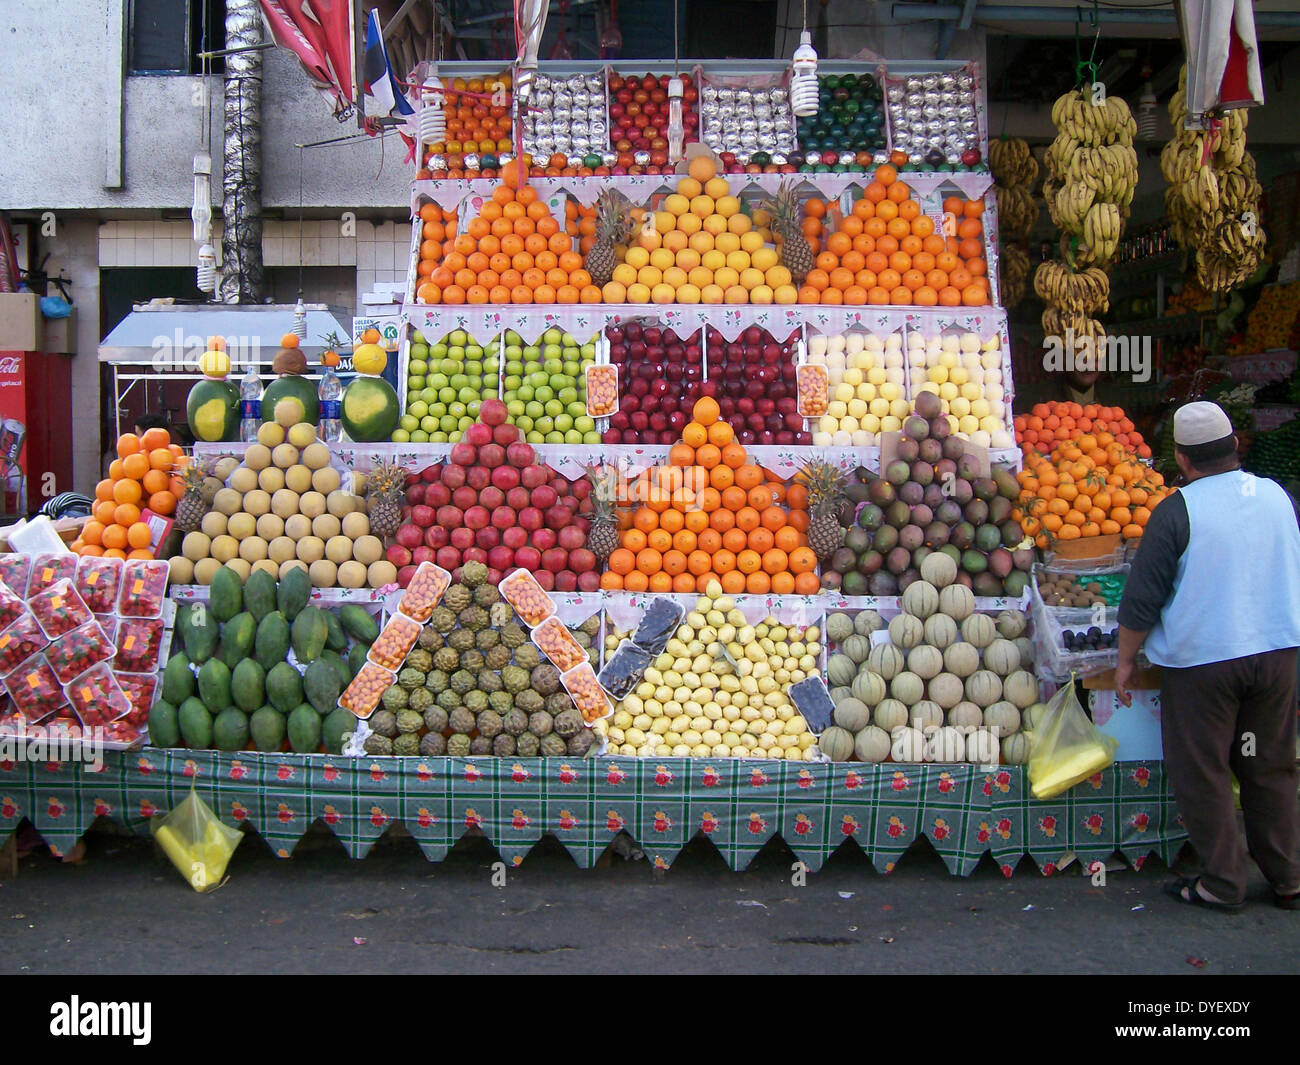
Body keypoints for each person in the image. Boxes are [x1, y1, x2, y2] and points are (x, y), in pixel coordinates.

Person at [1115, 400, 1300, 913]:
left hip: (1206, 664)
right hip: (1278, 652)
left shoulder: (1178, 508)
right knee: (1270, 765)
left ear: (1182, 458)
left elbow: (1143, 598)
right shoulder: (1277, 495)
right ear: (1235, 446)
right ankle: (1288, 880)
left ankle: (1222, 883)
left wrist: (1125, 660)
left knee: (1205, 769)